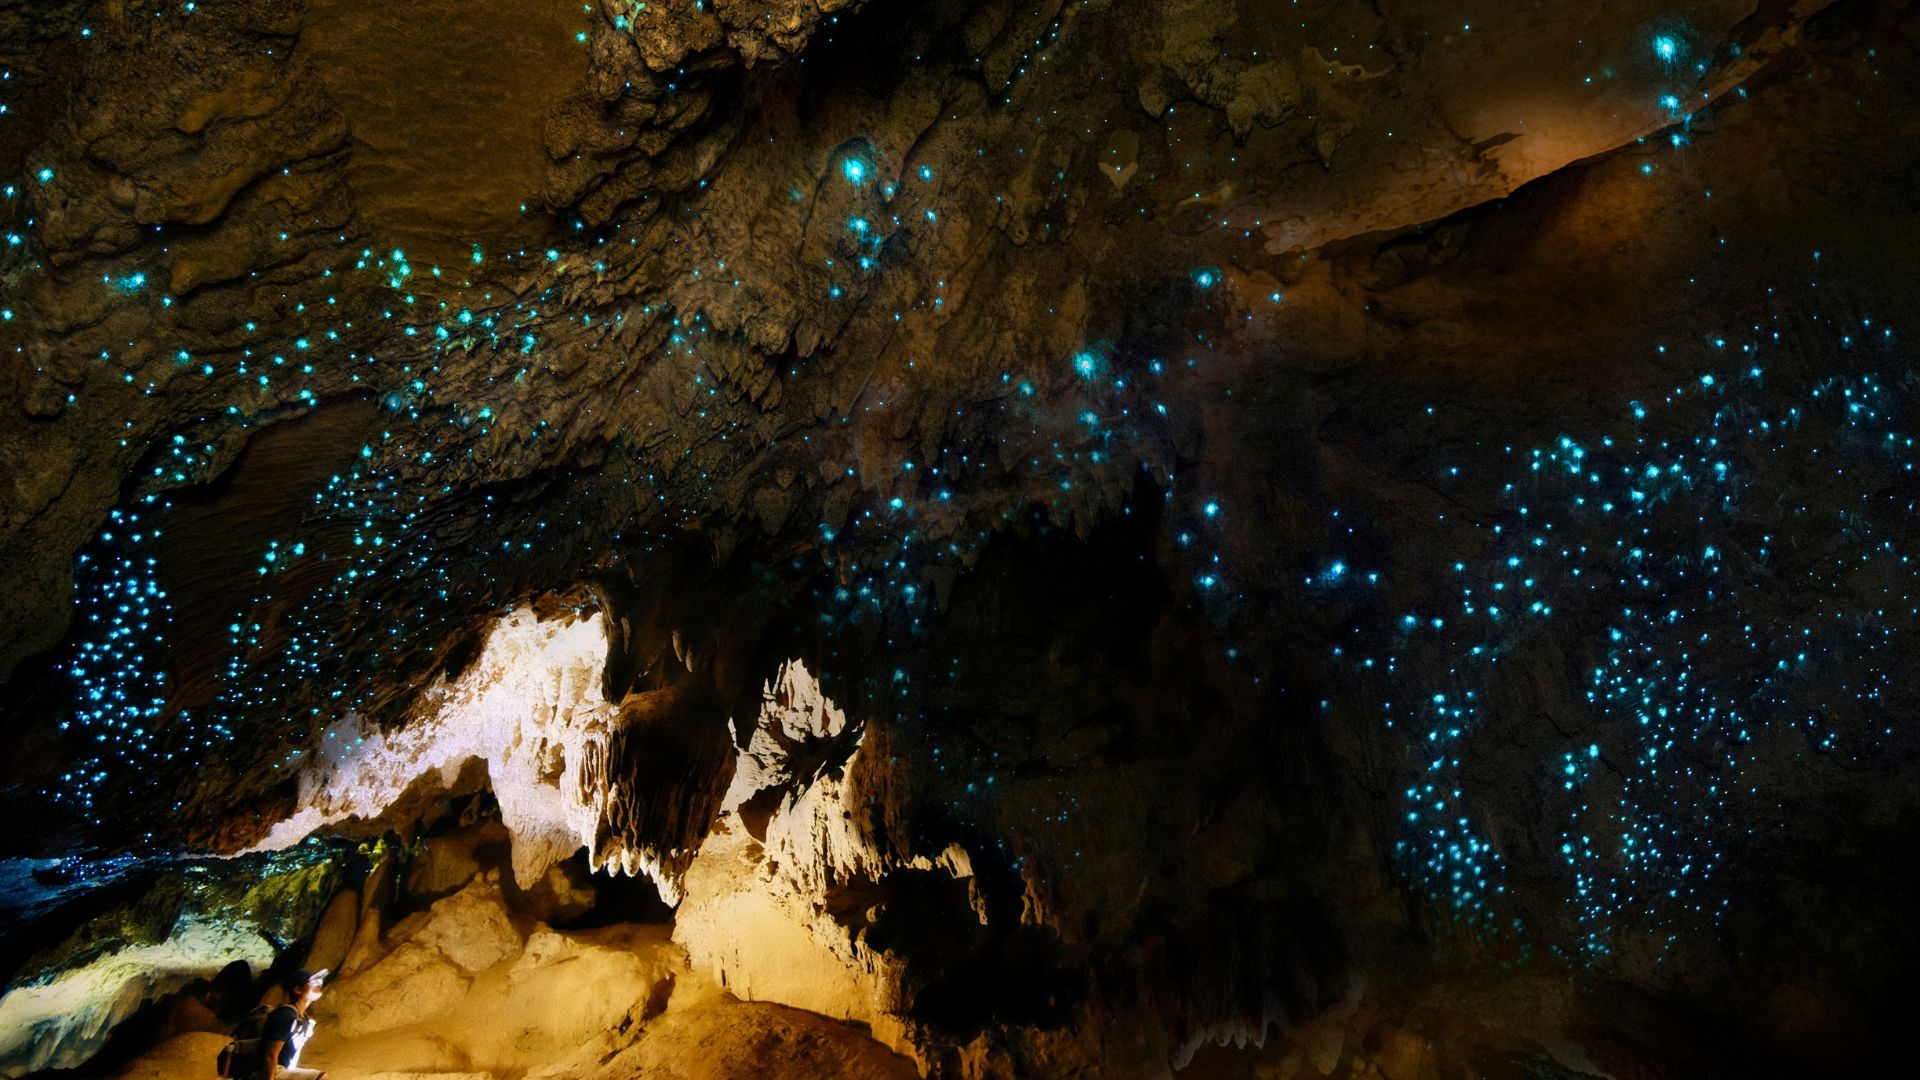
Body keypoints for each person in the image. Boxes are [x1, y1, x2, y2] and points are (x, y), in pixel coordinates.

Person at [255, 967, 328, 1080]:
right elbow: (270, 1056)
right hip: (271, 1070)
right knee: (321, 1077)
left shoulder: (304, 1019)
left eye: (319, 981)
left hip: (284, 1069)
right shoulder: (286, 1015)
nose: (318, 984)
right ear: (298, 990)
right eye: (313, 982)